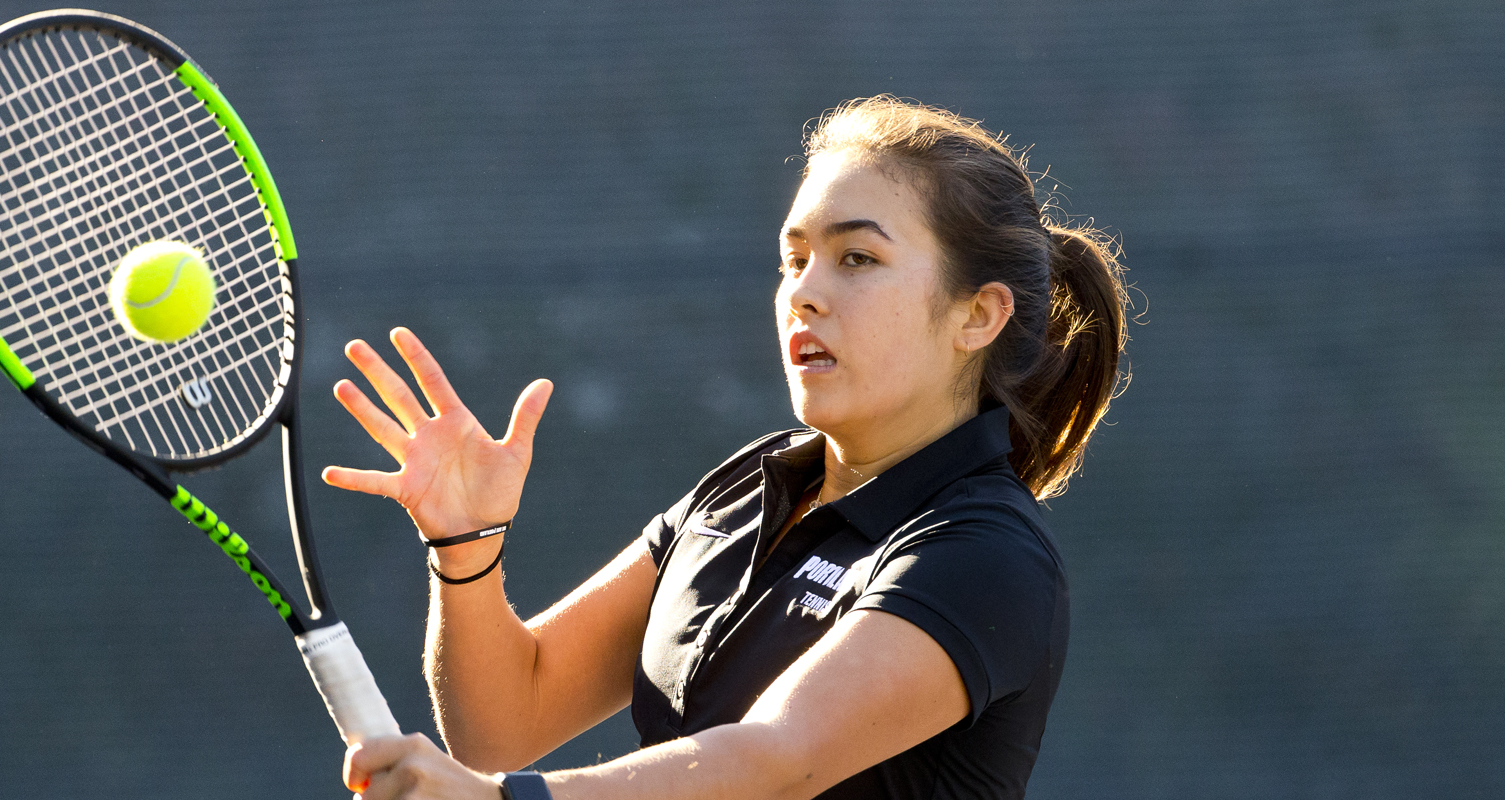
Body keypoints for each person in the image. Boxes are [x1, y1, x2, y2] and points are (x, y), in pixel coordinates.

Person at [319, 96, 1129, 800]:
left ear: (977, 316)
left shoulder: (987, 553)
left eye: (858, 258)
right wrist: (465, 547)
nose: (806, 291)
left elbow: (776, 762)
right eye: (795, 258)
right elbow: (504, 723)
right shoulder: (744, 488)